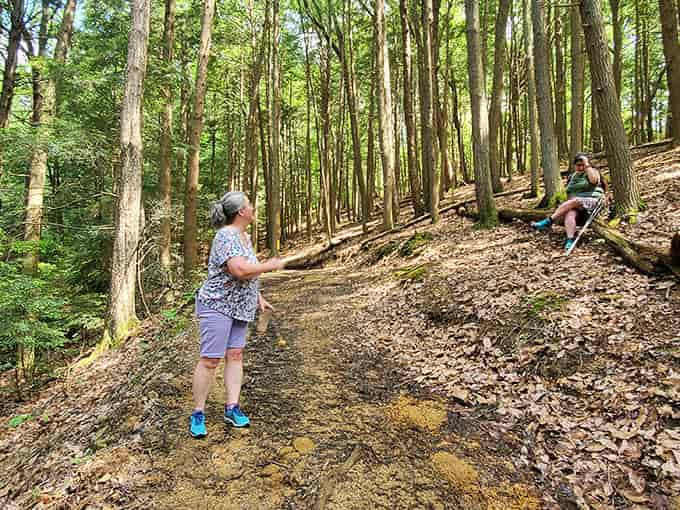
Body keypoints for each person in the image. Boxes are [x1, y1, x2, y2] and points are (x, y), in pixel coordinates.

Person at [189, 191, 284, 438]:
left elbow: (248, 275)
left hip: (240, 306)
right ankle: (198, 413)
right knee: (211, 359)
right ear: (241, 212)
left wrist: (258, 298)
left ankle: (232, 407)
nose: (253, 208)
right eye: (250, 205)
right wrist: (270, 265)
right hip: (217, 305)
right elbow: (239, 270)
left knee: (235, 354)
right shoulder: (226, 235)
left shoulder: (244, 236)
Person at [531, 153, 605, 252]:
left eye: (582, 164)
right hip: (577, 203)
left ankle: (548, 221)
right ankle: (570, 239)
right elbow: (569, 192)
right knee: (570, 213)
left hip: (592, 201)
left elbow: (594, 181)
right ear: (574, 166)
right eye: (578, 165)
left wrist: (587, 165)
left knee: (575, 201)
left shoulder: (592, 172)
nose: (581, 167)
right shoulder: (573, 177)